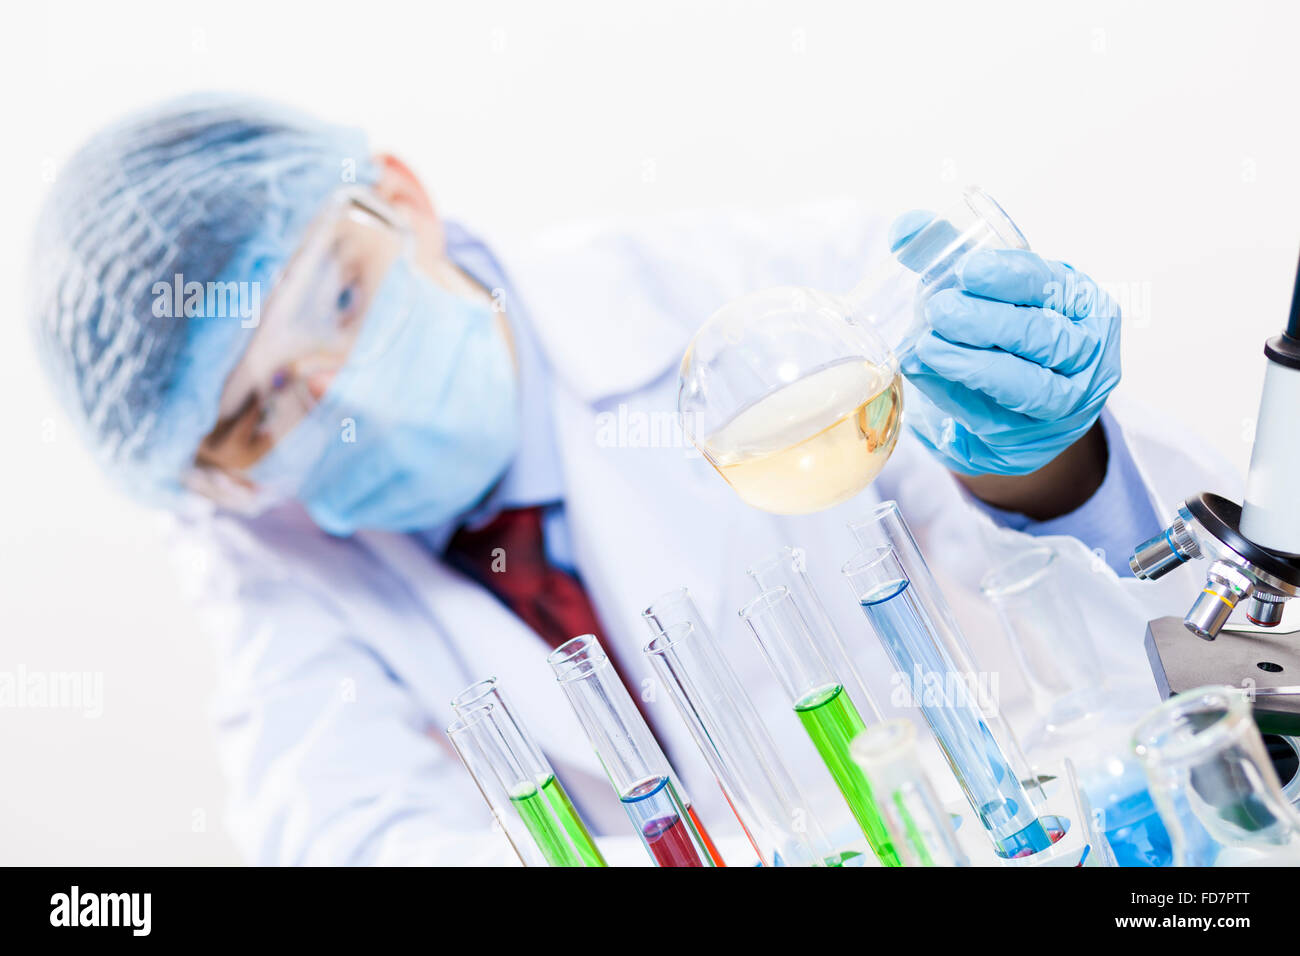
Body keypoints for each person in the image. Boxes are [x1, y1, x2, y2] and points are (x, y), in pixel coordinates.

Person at [30, 94, 1236, 865]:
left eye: (340, 296)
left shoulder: (766, 296)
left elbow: (1200, 680)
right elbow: (350, 838)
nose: (336, 392)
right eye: (256, 411)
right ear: (212, 486)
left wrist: (1049, 470)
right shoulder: (275, 570)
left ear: (400, 195)